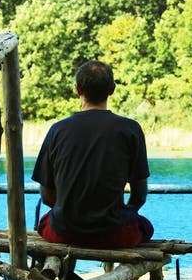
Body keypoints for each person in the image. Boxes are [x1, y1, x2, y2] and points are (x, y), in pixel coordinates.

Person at [32, 60, 154, 248]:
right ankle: (121, 278)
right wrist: (123, 214)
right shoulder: (130, 129)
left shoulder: (57, 130)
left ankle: (66, 276)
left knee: (44, 222)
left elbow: (47, 195)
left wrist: (73, 215)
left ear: (78, 89)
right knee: (145, 226)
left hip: (64, 232)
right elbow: (139, 196)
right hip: (114, 234)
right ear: (112, 89)